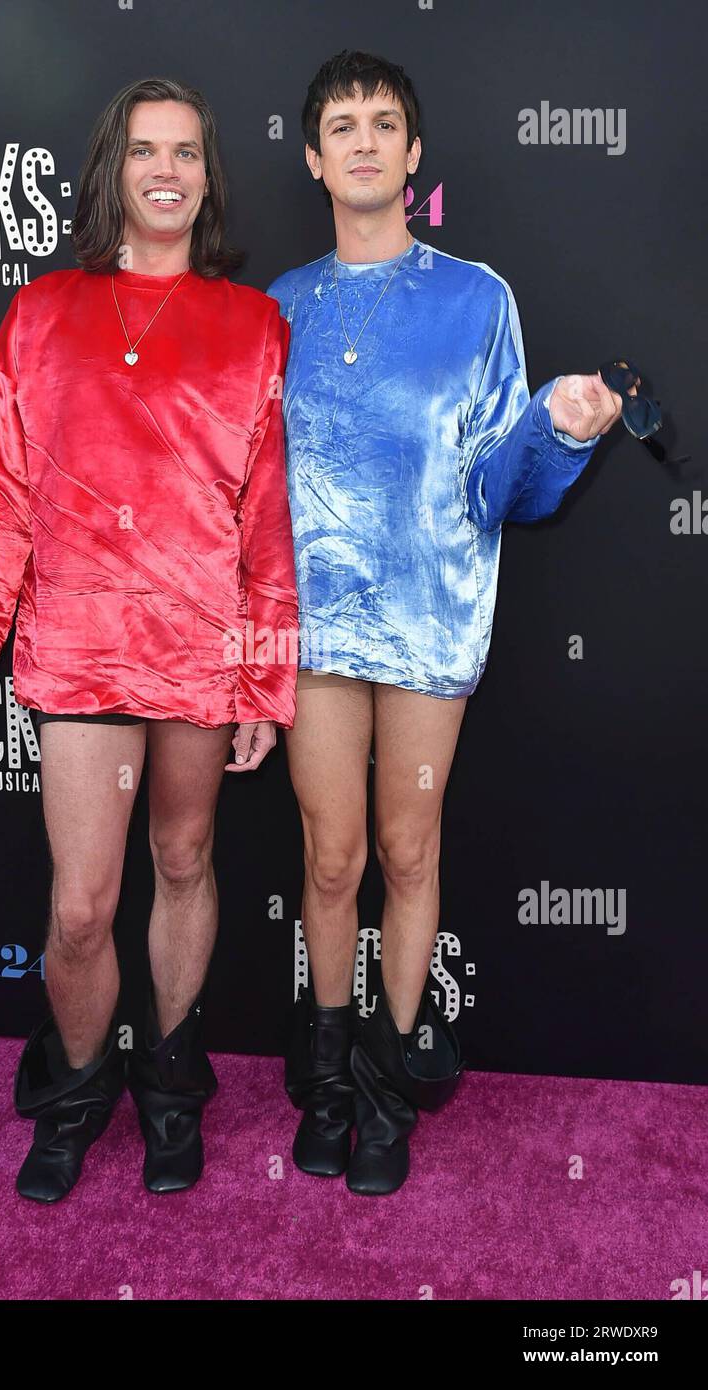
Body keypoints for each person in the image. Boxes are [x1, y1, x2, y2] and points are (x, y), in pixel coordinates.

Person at [0, 78, 298, 1201]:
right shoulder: (41, 313)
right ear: (112, 170)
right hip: (79, 648)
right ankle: (78, 1090)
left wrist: (263, 679)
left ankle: (171, 1083)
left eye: (185, 151)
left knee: (183, 861)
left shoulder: (252, 324)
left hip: (196, 647)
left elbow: (266, 522)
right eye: (144, 150)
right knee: (82, 905)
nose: (165, 171)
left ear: (207, 177)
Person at [268, 50, 638, 1196]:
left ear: (413, 153)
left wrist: (556, 429)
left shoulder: (477, 300)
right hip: (316, 634)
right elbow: (248, 496)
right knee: (329, 859)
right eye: (342, 125)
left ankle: (386, 1088)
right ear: (313, 156)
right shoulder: (275, 308)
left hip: (428, 628)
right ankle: (327, 1081)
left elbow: (498, 490)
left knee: (405, 850)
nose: (364, 141)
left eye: (383, 123)